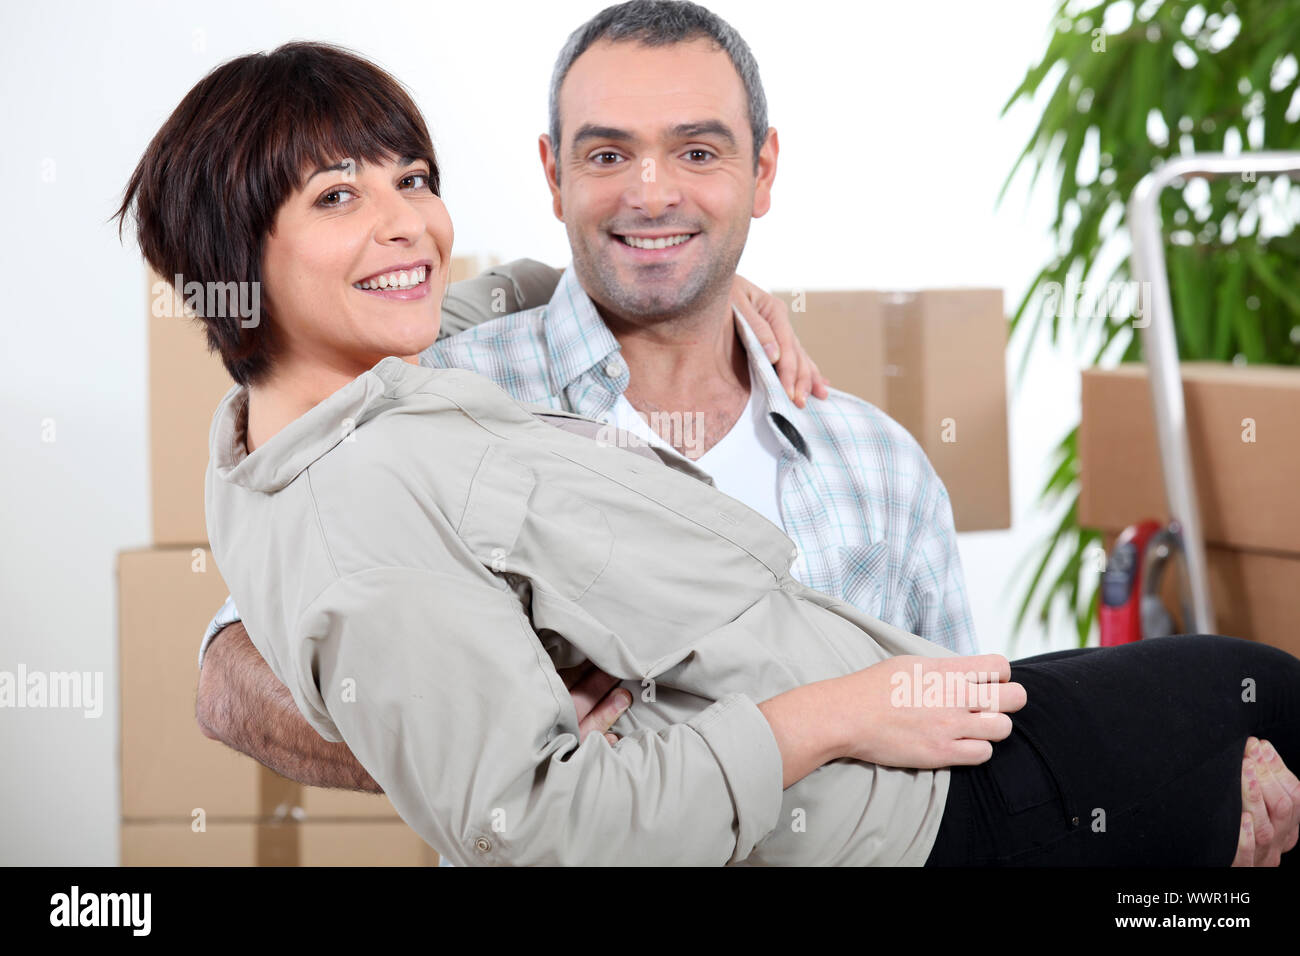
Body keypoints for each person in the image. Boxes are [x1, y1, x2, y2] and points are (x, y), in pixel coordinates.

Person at [116, 28, 1300, 865]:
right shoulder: (418, 419)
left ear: (760, 171)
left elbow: (957, 741)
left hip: (921, 820)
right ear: (553, 174)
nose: (651, 195)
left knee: (1246, 738)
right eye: (606, 157)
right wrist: (487, 733)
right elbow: (248, 677)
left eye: (697, 154)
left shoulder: (867, 456)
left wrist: (692, 285)